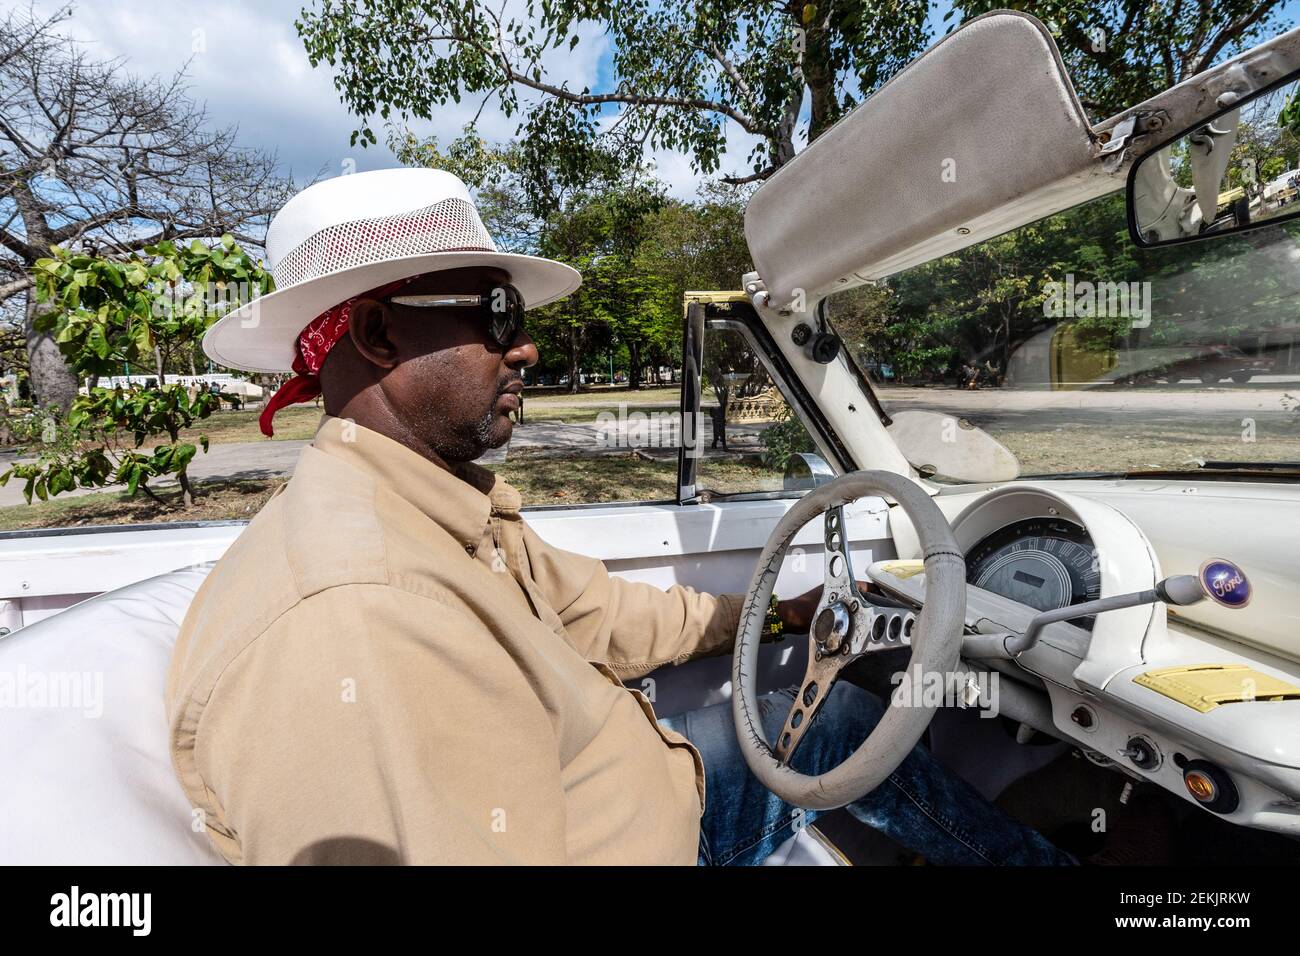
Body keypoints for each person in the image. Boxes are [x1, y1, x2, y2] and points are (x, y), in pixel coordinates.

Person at [166, 168, 1072, 865]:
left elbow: (601, 613)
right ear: (374, 336)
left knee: (831, 720)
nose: (524, 344)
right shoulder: (359, 618)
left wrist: (774, 614)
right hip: (659, 842)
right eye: (495, 312)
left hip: (643, 796)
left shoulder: (430, 507)